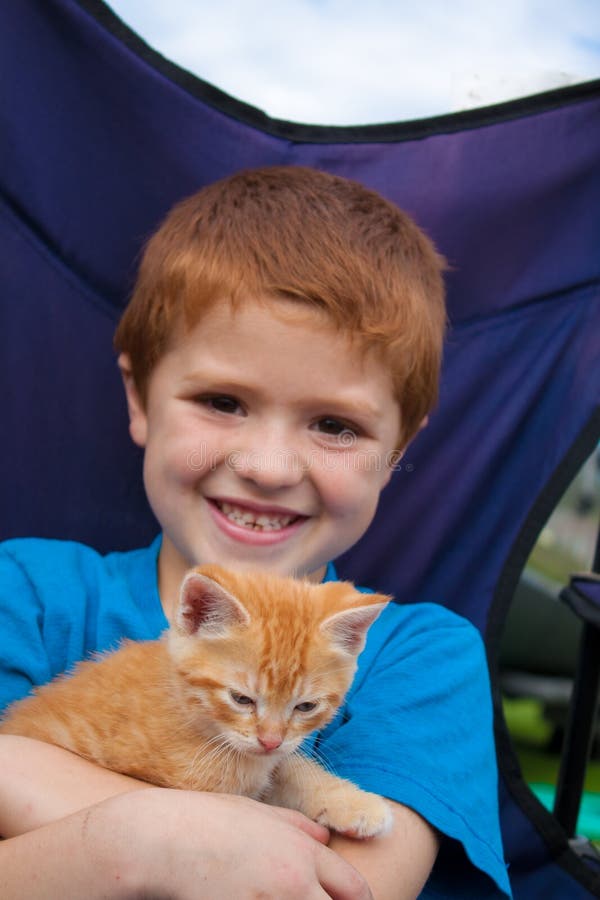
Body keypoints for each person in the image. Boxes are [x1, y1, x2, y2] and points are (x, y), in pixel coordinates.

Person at [0, 166, 511, 899]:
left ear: (398, 452)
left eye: (334, 425)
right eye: (222, 401)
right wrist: (148, 842)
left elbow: (336, 889)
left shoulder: (421, 655)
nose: (268, 468)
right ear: (139, 398)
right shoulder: (25, 594)